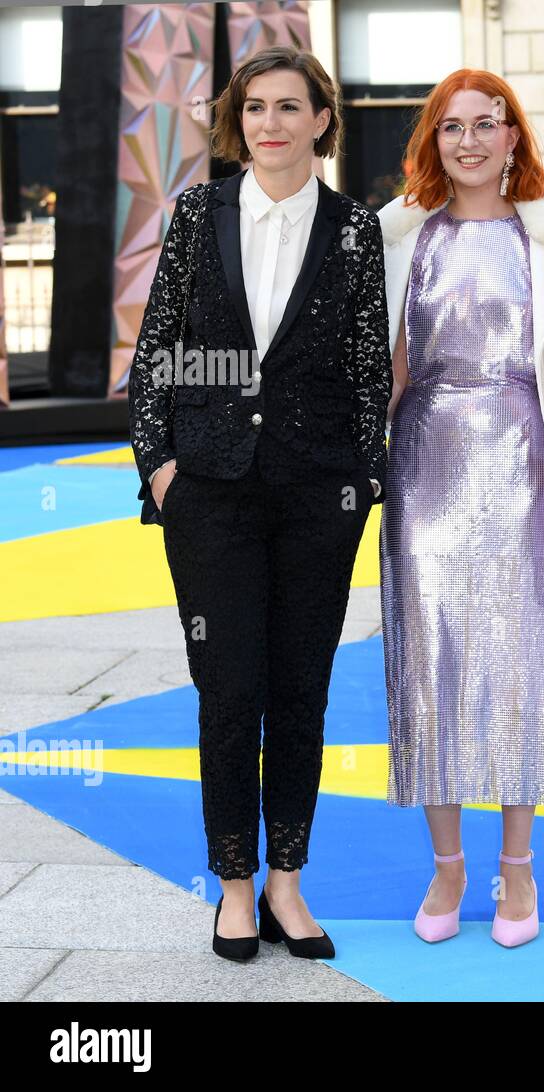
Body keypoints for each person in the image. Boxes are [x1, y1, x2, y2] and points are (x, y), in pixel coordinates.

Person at [127, 46, 390, 962]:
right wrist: (160, 464)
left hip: (321, 496)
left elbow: (367, 367)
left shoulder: (355, 227)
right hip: (211, 491)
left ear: (323, 120)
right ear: (237, 125)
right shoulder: (199, 213)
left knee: (301, 693)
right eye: (254, 110)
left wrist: (365, 482)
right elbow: (160, 344)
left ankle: (288, 882)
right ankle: (234, 884)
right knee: (229, 691)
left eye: (289, 107)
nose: (270, 124)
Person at [378, 70, 544, 949]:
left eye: (485, 125)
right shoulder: (397, 236)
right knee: (432, 660)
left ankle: (519, 867)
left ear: (512, 137)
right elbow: (385, 367)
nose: (468, 141)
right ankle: (448, 865)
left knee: (520, 658)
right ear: (434, 139)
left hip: (524, 457)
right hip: (423, 463)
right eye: (451, 127)